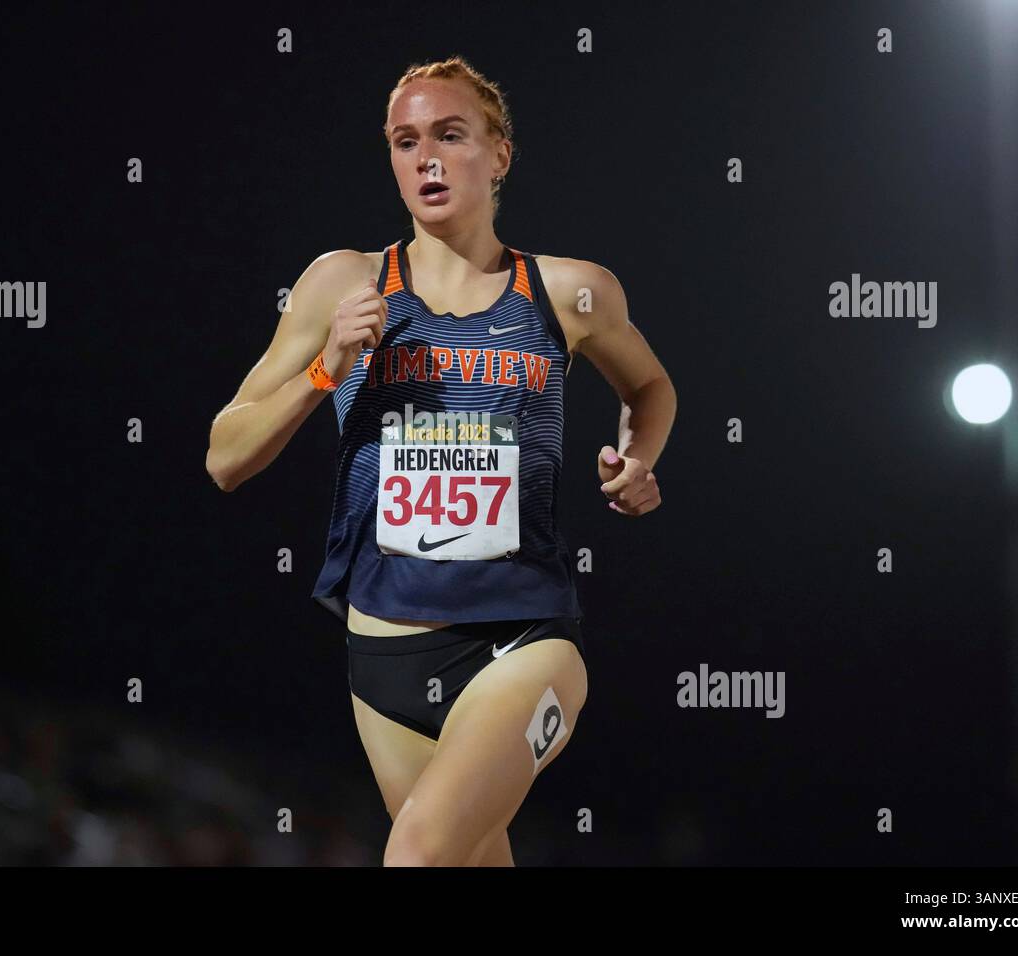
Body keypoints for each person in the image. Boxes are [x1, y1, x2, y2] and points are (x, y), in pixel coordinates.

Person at [206, 56, 676, 866]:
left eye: (449, 135)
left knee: (417, 855)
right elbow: (225, 456)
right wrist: (326, 368)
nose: (424, 156)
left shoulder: (570, 291)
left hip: (523, 638)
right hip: (384, 652)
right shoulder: (342, 284)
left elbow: (651, 385)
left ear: (498, 154)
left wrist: (638, 460)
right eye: (404, 140)